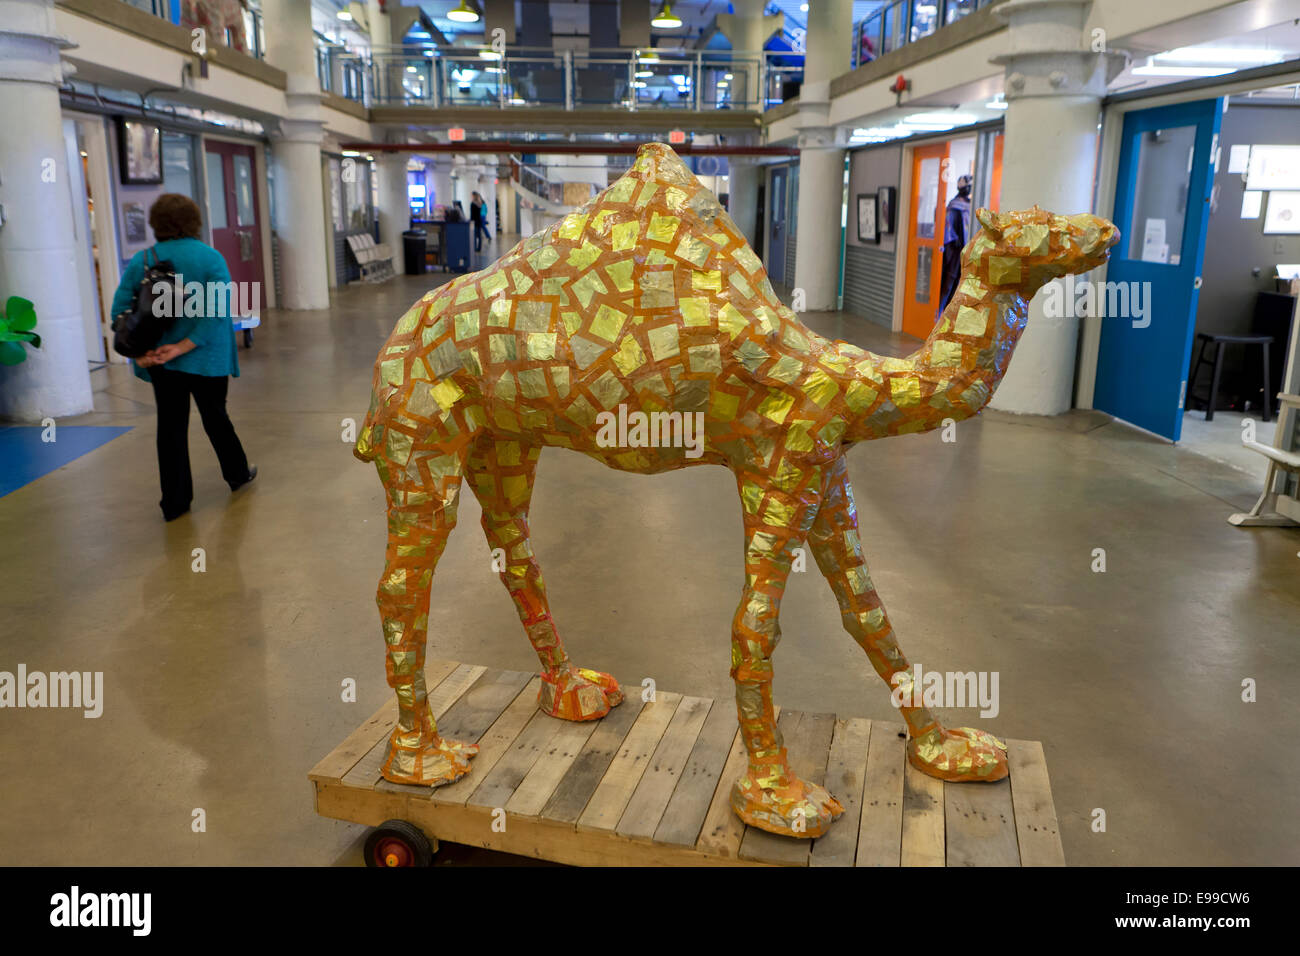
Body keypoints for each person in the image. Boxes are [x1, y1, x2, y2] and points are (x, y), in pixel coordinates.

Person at [110, 193, 255, 522]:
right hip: (207, 358)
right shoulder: (211, 258)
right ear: (194, 221)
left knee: (170, 427)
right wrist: (185, 345)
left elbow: (121, 313)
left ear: (156, 224)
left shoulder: (143, 260)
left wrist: (143, 353)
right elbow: (218, 310)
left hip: (161, 361)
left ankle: (175, 503)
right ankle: (237, 475)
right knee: (216, 417)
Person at [937, 173, 973, 317]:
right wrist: (954, 240)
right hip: (955, 250)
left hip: (967, 250)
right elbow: (947, 229)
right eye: (968, 186)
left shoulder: (971, 205)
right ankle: (939, 312)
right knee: (949, 281)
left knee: (959, 283)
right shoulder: (954, 205)